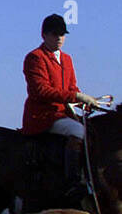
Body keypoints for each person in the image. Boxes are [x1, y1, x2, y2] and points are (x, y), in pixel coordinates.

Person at [21, 13, 112, 197]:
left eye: (62, 34)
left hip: (63, 113)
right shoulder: (35, 58)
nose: (59, 38)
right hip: (43, 116)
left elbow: (71, 88)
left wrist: (86, 102)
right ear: (44, 35)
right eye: (55, 34)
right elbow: (41, 91)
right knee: (78, 131)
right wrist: (76, 95)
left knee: (93, 130)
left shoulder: (67, 59)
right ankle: (73, 182)